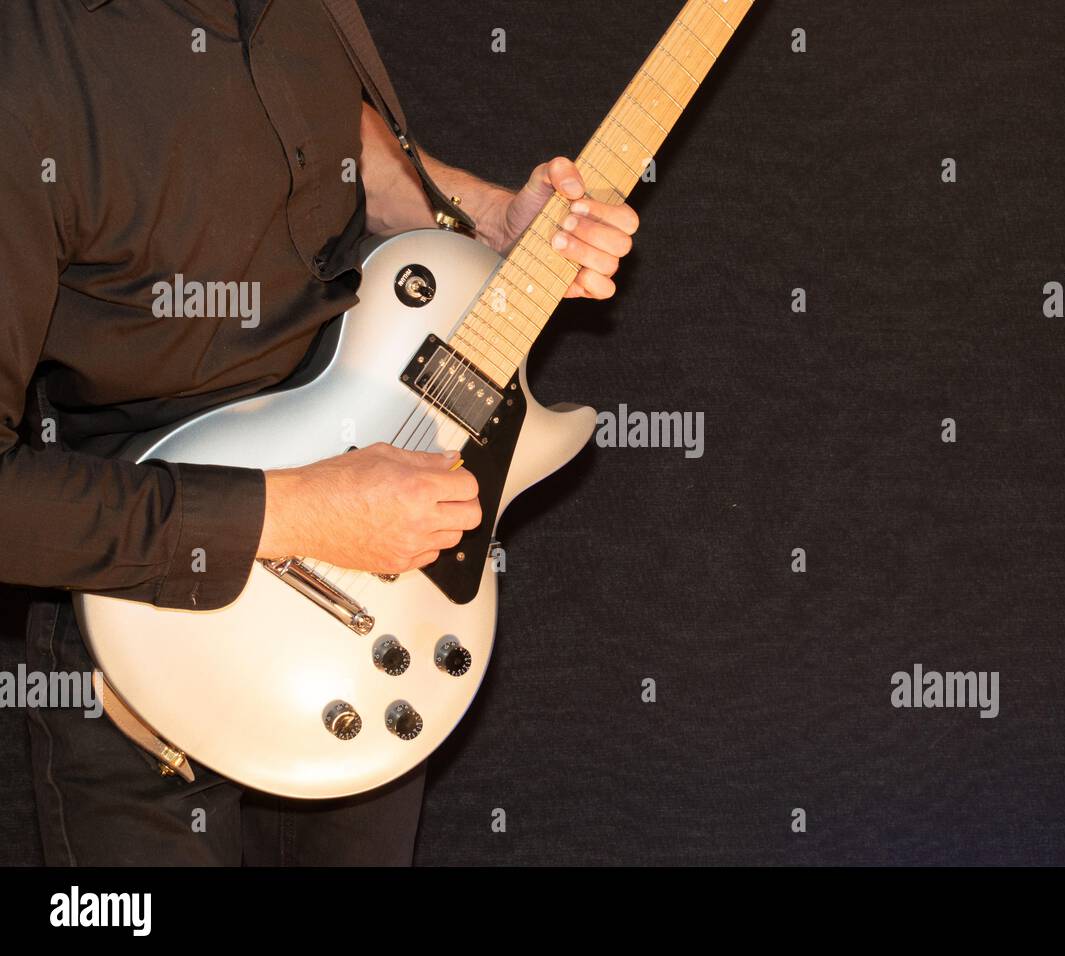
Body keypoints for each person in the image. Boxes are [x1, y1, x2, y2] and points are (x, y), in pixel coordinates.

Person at [0, 0, 638, 865]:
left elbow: (333, 132)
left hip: (365, 620)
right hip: (144, 656)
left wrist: (489, 220)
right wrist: (300, 513)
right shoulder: (27, 60)